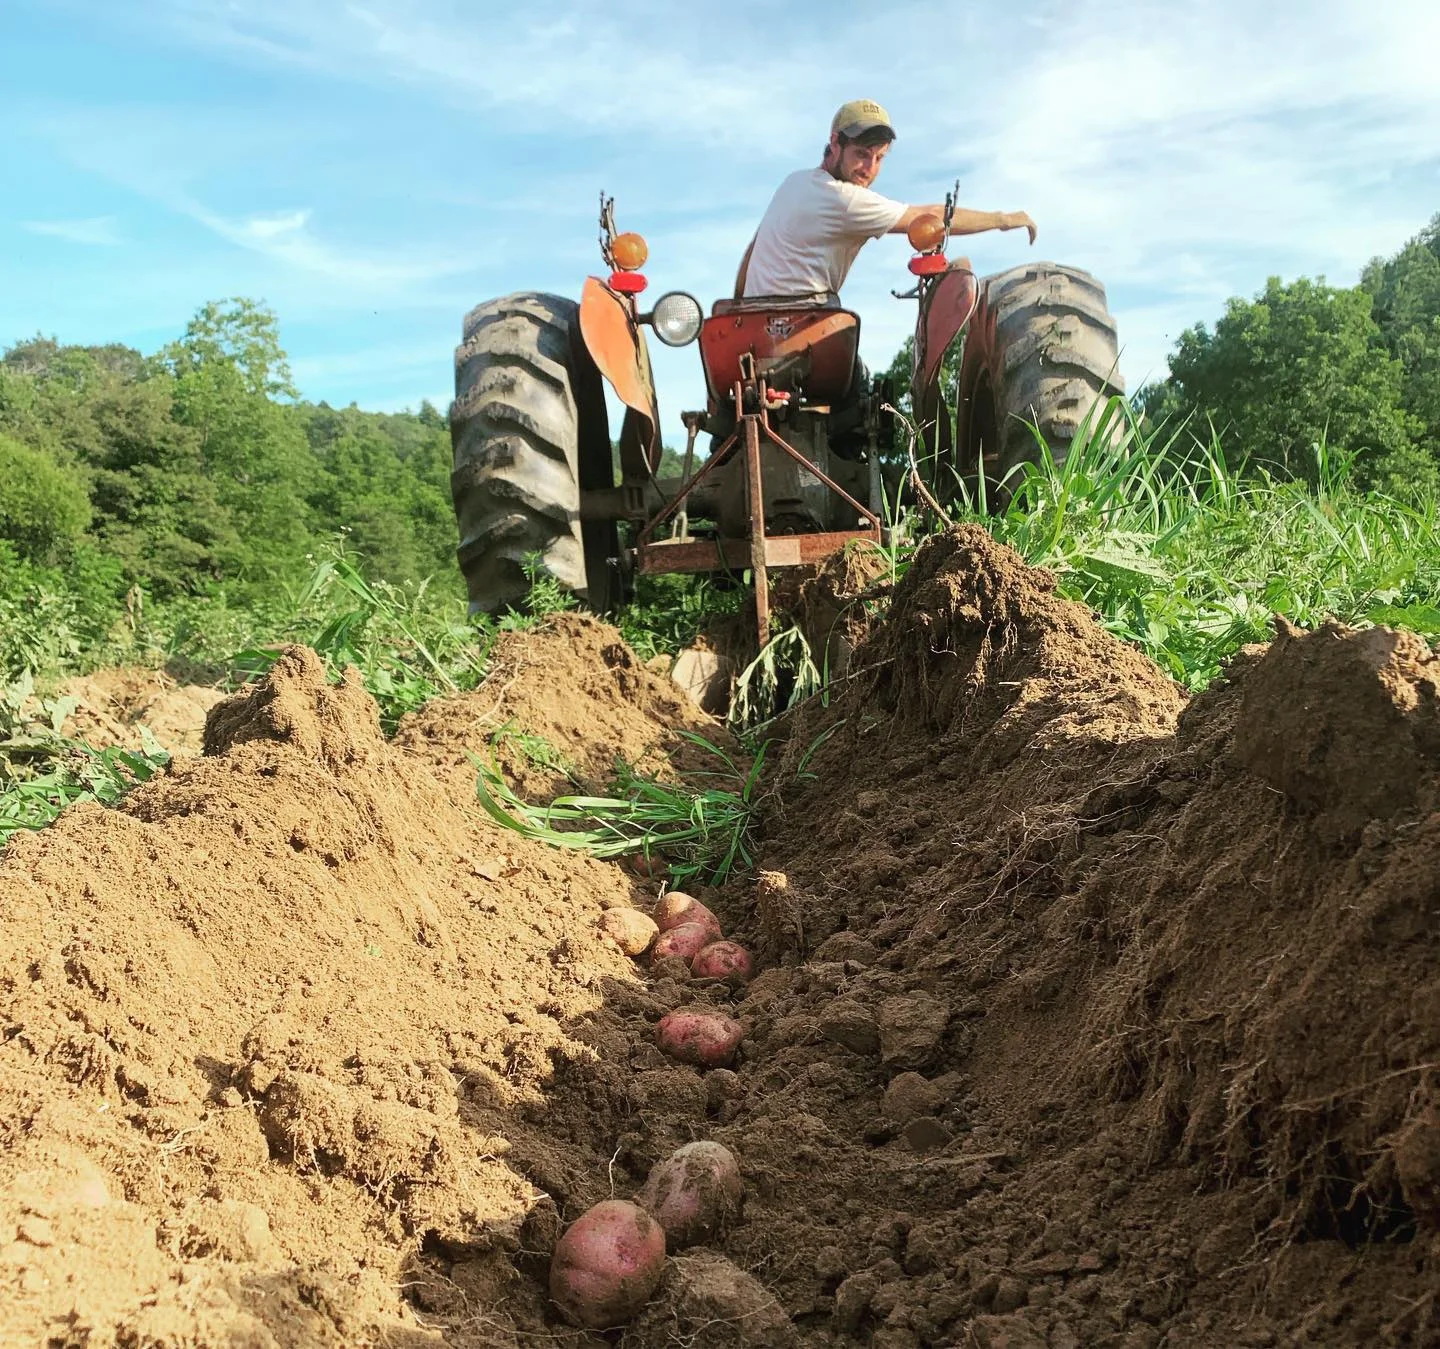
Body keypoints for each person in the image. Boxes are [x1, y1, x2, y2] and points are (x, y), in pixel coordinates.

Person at [734, 99, 1037, 300]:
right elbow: (930, 218)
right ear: (835, 143)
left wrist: (738, 309)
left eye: (879, 158)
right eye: (861, 155)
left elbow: (752, 251)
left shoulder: (795, 182)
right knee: (868, 391)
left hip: (751, 326)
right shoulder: (843, 199)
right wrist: (1002, 219)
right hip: (804, 328)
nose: (869, 169)